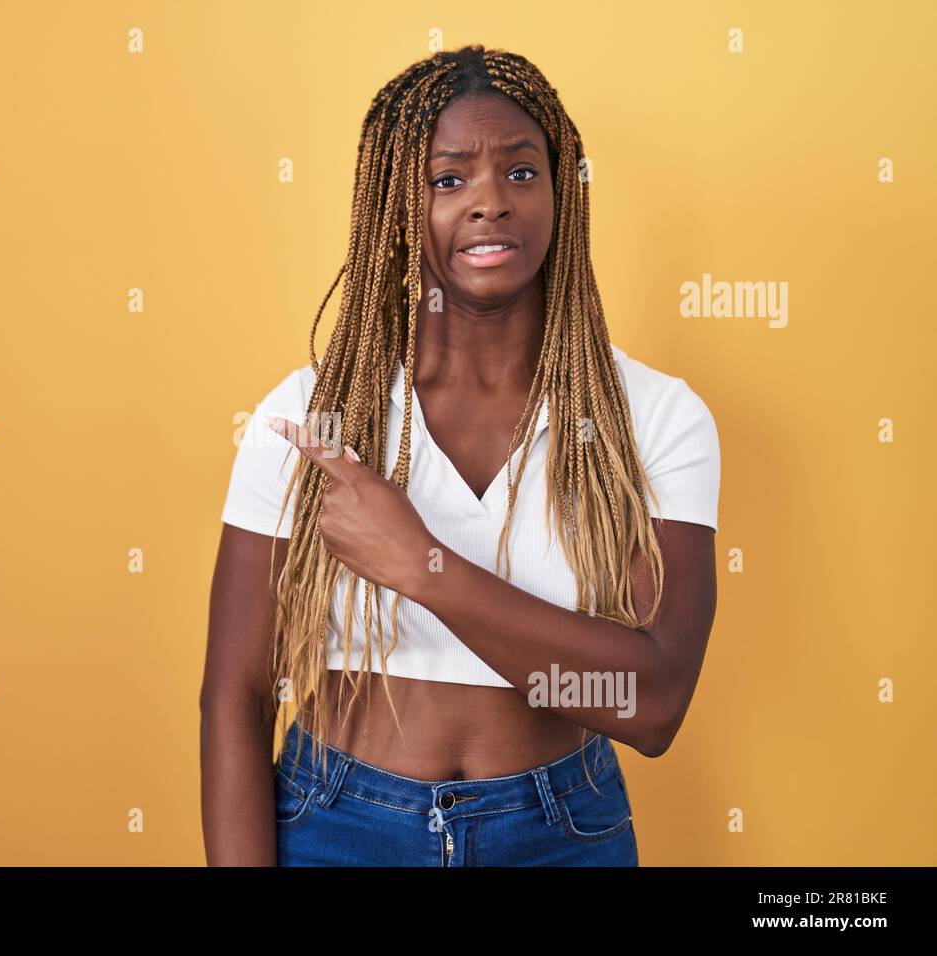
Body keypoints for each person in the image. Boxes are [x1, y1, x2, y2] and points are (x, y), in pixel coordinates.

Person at [201, 44, 720, 866]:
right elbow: (235, 698)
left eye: (521, 173)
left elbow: (650, 704)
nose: (490, 202)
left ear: (560, 195)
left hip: (559, 832)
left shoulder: (654, 420)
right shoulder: (310, 417)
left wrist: (422, 564)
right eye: (449, 179)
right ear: (399, 207)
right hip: (337, 823)